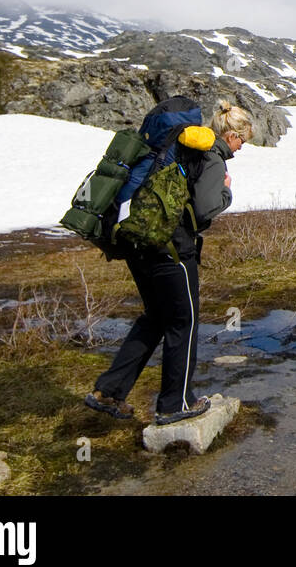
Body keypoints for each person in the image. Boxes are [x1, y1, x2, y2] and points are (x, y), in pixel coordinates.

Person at [86, 99, 252, 425]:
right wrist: (226, 193)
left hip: (137, 242)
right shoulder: (211, 156)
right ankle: (175, 404)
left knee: (156, 318)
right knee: (183, 323)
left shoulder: (174, 146)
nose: (242, 148)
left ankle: (109, 391)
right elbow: (204, 210)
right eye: (242, 140)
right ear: (230, 134)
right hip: (171, 250)